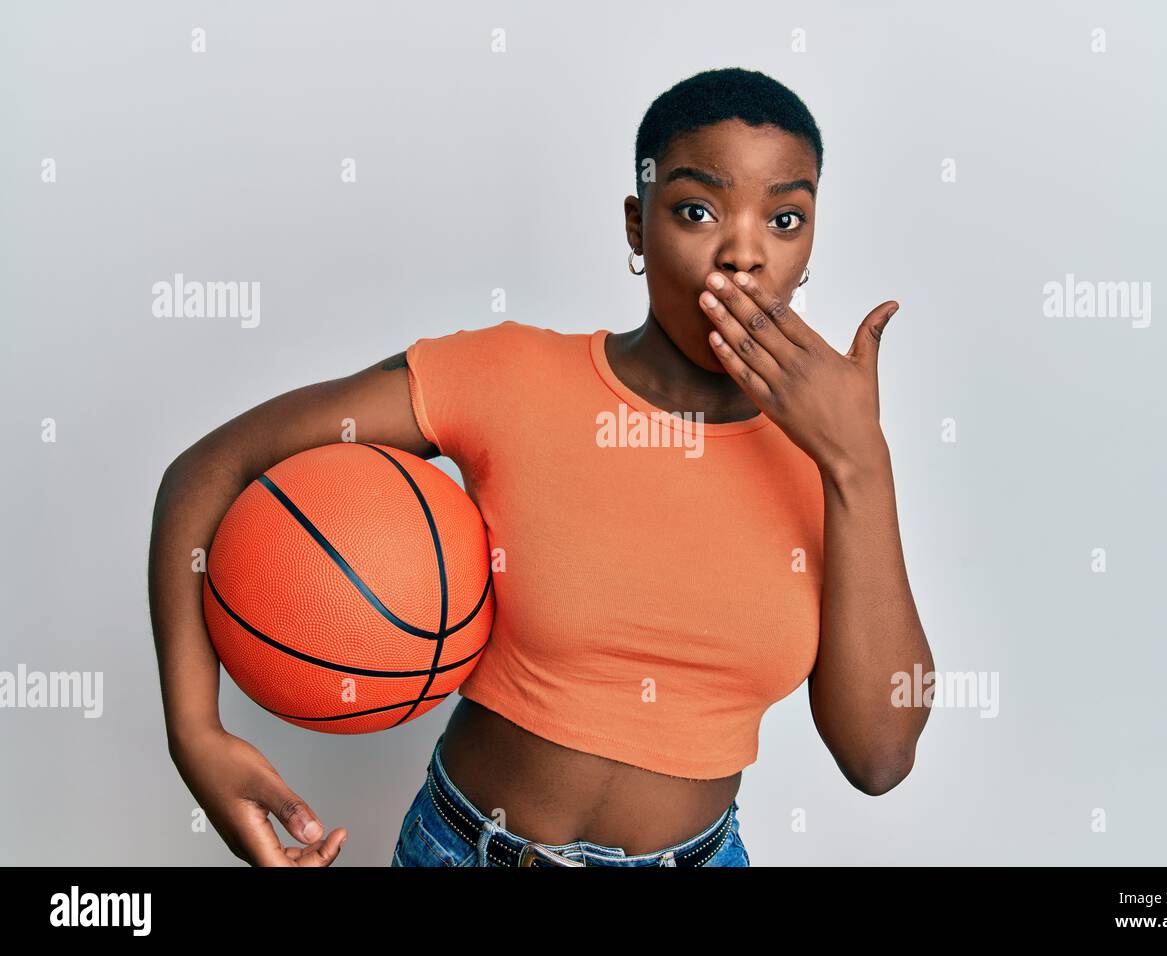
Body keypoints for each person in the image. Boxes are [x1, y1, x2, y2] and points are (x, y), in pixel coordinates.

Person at [149, 67, 934, 868]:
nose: (742, 252)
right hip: (464, 850)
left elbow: (878, 757)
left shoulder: (834, 457)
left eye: (784, 218)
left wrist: (858, 462)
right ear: (637, 226)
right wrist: (194, 734)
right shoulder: (509, 376)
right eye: (696, 209)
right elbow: (209, 470)